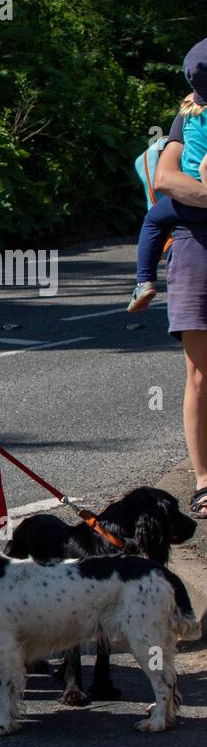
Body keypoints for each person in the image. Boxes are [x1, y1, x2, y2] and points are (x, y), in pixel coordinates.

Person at [153, 38, 207, 519]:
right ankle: (204, 479)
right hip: (195, 248)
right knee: (199, 372)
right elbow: (165, 179)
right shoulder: (189, 114)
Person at [129, 111, 207, 313]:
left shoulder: (190, 116)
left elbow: (202, 167)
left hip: (191, 195)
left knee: (153, 220)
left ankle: (144, 282)